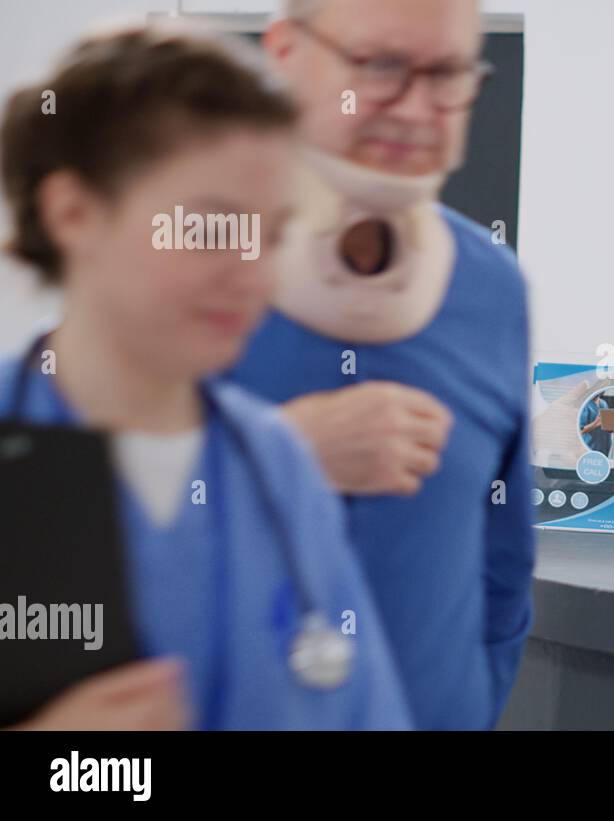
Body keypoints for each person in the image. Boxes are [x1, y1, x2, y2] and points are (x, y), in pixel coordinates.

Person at [0, 26, 411, 728]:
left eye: (273, 232)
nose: (254, 273)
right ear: (72, 212)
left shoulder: (273, 462)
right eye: (213, 227)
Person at [226, 0, 535, 728]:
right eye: (382, 66)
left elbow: (503, 566)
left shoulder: (491, 287)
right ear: (284, 52)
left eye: (450, 73)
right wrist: (284, 452)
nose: (419, 108)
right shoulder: (176, 262)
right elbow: (76, 539)